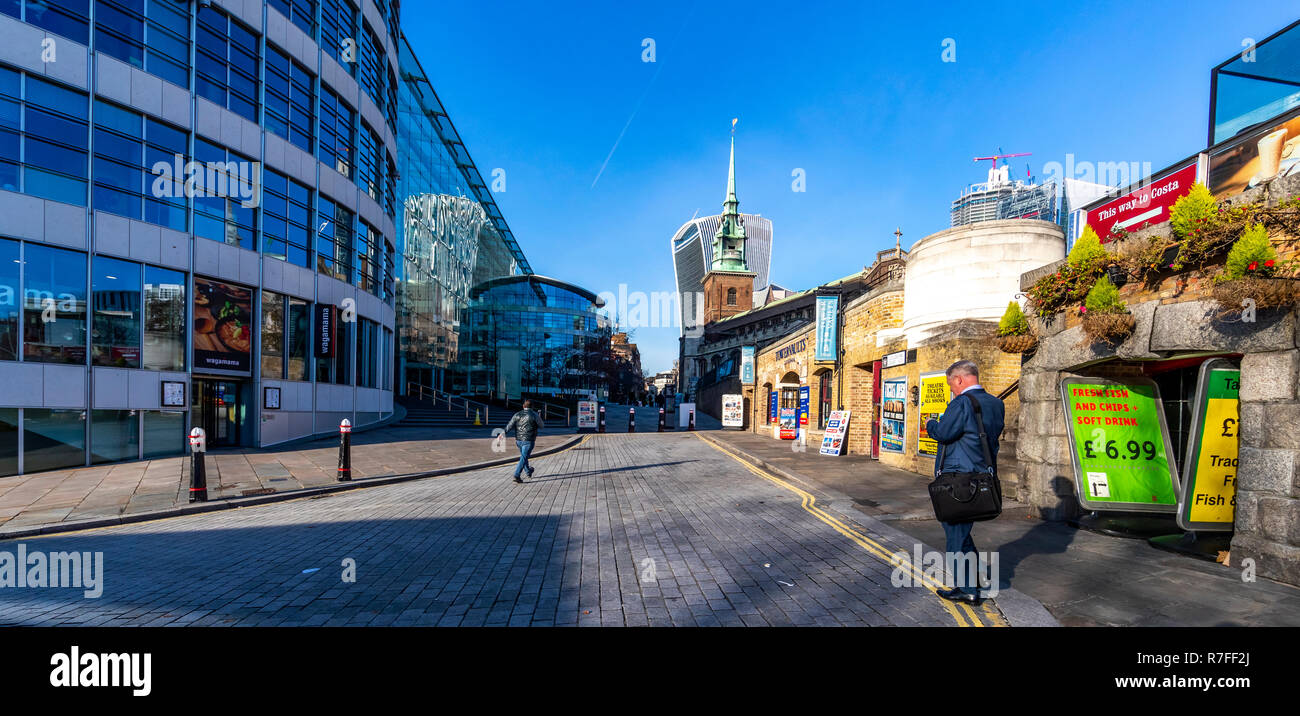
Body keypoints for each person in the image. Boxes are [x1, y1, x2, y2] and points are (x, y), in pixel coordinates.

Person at [924, 359, 1004, 604]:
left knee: (955, 536)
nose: (951, 389)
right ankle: (973, 581)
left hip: (959, 481)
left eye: (951, 384)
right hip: (981, 477)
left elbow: (945, 433)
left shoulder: (961, 403)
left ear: (959, 379)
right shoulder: (996, 403)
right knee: (960, 531)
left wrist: (931, 423)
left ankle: (967, 589)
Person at [504, 400, 545, 483]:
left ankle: (528, 471)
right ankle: (516, 475)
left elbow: (510, 425)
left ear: (523, 406)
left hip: (518, 440)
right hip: (529, 440)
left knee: (524, 456)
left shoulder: (517, 414)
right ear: (532, 407)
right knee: (523, 457)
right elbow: (542, 426)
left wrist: (503, 433)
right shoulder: (534, 414)